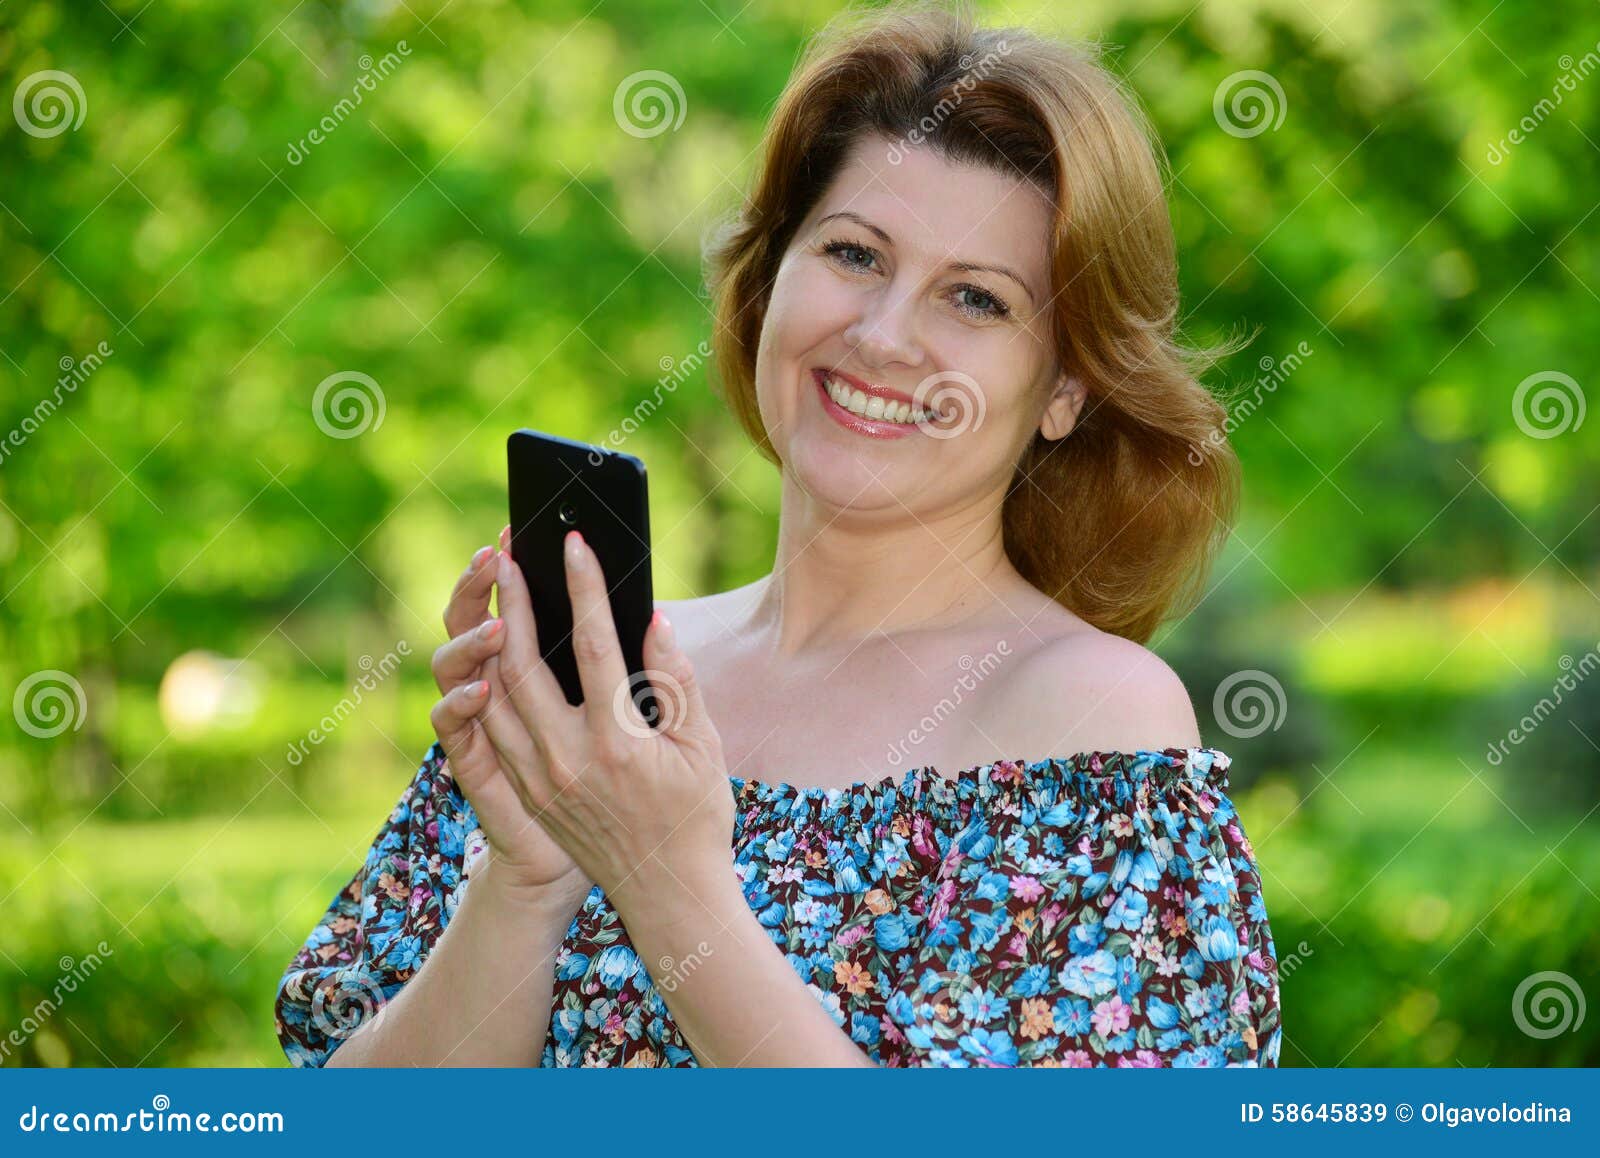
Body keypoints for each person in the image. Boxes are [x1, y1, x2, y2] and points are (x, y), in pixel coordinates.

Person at [276, 0, 1281, 1068]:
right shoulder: (599, 692)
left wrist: (665, 877)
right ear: (768, 281)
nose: (885, 336)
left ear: (1067, 389)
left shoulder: (1086, 714)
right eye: (853, 254)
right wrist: (524, 878)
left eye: (977, 302)